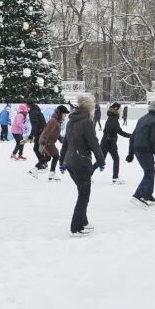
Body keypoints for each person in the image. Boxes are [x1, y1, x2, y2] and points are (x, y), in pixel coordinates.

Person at [60, 94, 105, 236]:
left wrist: (62, 162)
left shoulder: (70, 121)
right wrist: (101, 160)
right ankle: (75, 227)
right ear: (89, 108)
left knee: (81, 192)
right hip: (81, 162)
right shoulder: (86, 122)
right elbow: (94, 143)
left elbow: (65, 143)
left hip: (70, 162)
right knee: (84, 196)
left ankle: (83, 221)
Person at [127, 100, 155, 207]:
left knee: (149, 171)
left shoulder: (141, 119)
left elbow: (132, 137)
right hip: (145, 149)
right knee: (149, 172)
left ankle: (147, 195)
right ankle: (138, 195)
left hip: (137, 149)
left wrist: (131, 153)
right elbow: (154, 139)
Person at [99, 102, 133, 183]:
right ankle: (115, 177)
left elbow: (120, 132)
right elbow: (107, 131)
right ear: (116, 109)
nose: (121, 110)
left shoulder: (113, 118)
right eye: (120, 109)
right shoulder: (112, 119)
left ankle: (115, 176)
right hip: (109, 144)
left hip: (107, 143)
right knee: (113, 160)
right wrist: (110, 139)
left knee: (102, 161)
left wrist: (132, 136)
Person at [39, 105, 67, 181]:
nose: (65, 116)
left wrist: (62, 140)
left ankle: (35, 169)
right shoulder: (53, 121)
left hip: (48, 141)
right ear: (60, 114)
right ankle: (52, 173)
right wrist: (44, 141)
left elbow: (56, 133)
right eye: (64, 114)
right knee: (56, 156)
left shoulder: (57, 121)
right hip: (47, 141)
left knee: (51, 157)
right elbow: (46, 131)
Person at [27, 101, 47, 175]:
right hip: (42, 132)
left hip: (39, 133)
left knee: (36, 148)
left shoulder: (33, 113)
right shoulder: (37, 111)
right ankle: (43, 163)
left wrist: (31, 135)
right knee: (39, 149)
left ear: (29, 106)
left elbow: (35, 124)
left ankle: (42, 163)